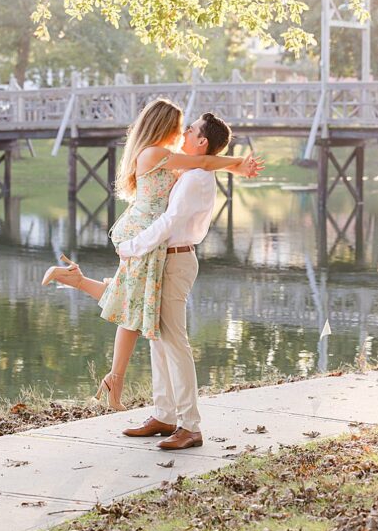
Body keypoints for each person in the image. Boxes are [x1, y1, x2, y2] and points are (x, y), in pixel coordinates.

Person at [43, 100, 260, 412]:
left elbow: (202, 163)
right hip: (143, 235)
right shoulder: (156, 154)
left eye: (187, 127)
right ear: (164, 126)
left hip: (147, 236)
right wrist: (237, 162)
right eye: (179, 125)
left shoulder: (163, 155)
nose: (182, 130)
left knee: (133, 303)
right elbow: (204, 163)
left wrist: (234, 166)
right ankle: (115, 378)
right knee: (133, 306)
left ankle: (78, 286)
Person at [114, 112, 235, 449]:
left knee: (174, 342)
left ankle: (190, 425)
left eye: (191, 129)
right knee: (158, 339)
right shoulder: (191, 170)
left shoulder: (196, 178)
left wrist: (132, 248)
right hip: (167, 258)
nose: (184, 132)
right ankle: (164, 414)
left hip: (177, 258)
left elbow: (170, 220)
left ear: (202, 142)